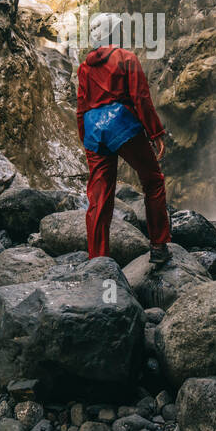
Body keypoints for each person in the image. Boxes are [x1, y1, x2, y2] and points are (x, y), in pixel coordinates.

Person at [77, 13, 171, 264]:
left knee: (99, 195)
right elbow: (140, 98)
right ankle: (159, 247)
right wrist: (156, 133)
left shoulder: (85, 67)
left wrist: (84, 138)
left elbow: (81, 106)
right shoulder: (127, 59)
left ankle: (97, 257)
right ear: (113, 34)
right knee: (152, 180)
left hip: (95, 131)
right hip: (122, 126)